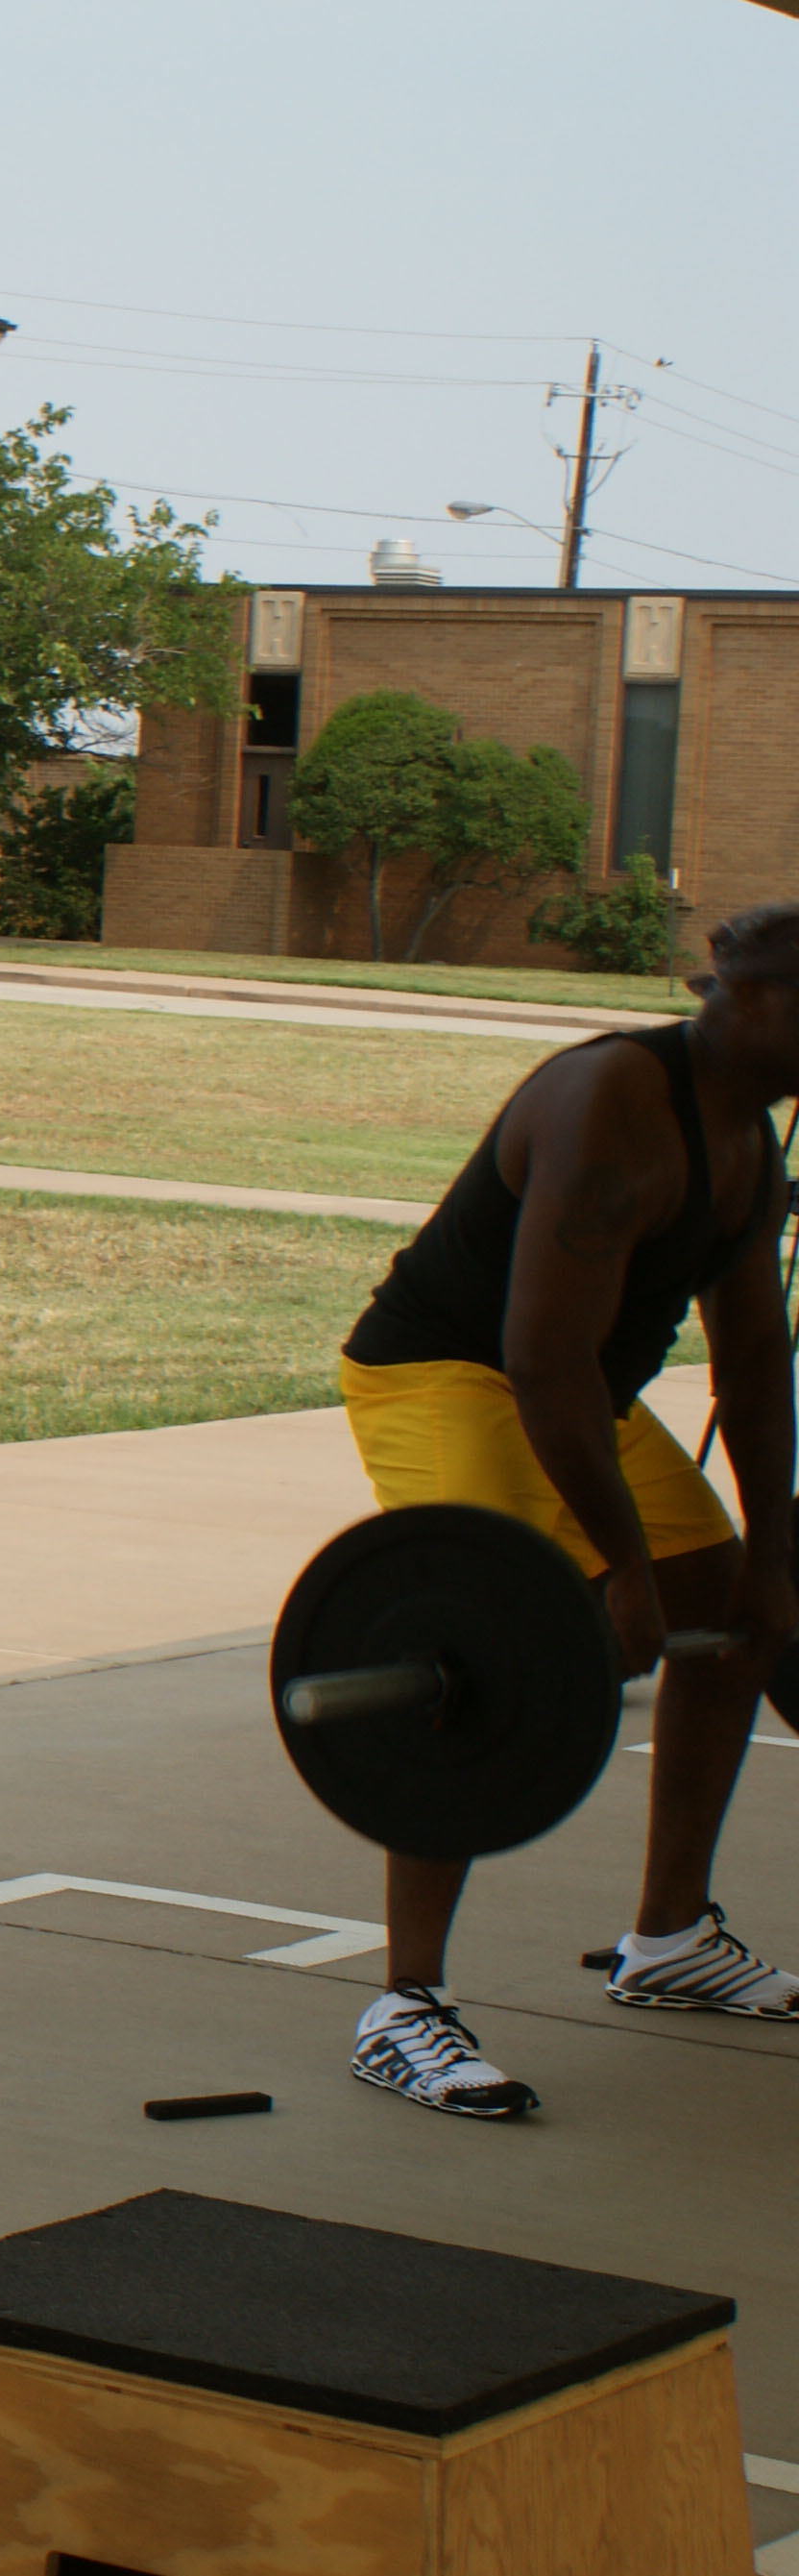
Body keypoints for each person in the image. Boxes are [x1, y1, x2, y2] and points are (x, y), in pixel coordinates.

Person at [333, 901, 799, 2119]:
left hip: (575, 1384)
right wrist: (617, 1570)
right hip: (447, 1367)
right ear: (741, 996)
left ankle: (668, 1937)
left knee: (727, 1610)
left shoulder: (751, 1144)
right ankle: (403, 2003)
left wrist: (771, 1558)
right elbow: (536, 1359)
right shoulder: (606, 1105)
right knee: (470, 1639)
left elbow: (754, 1360)